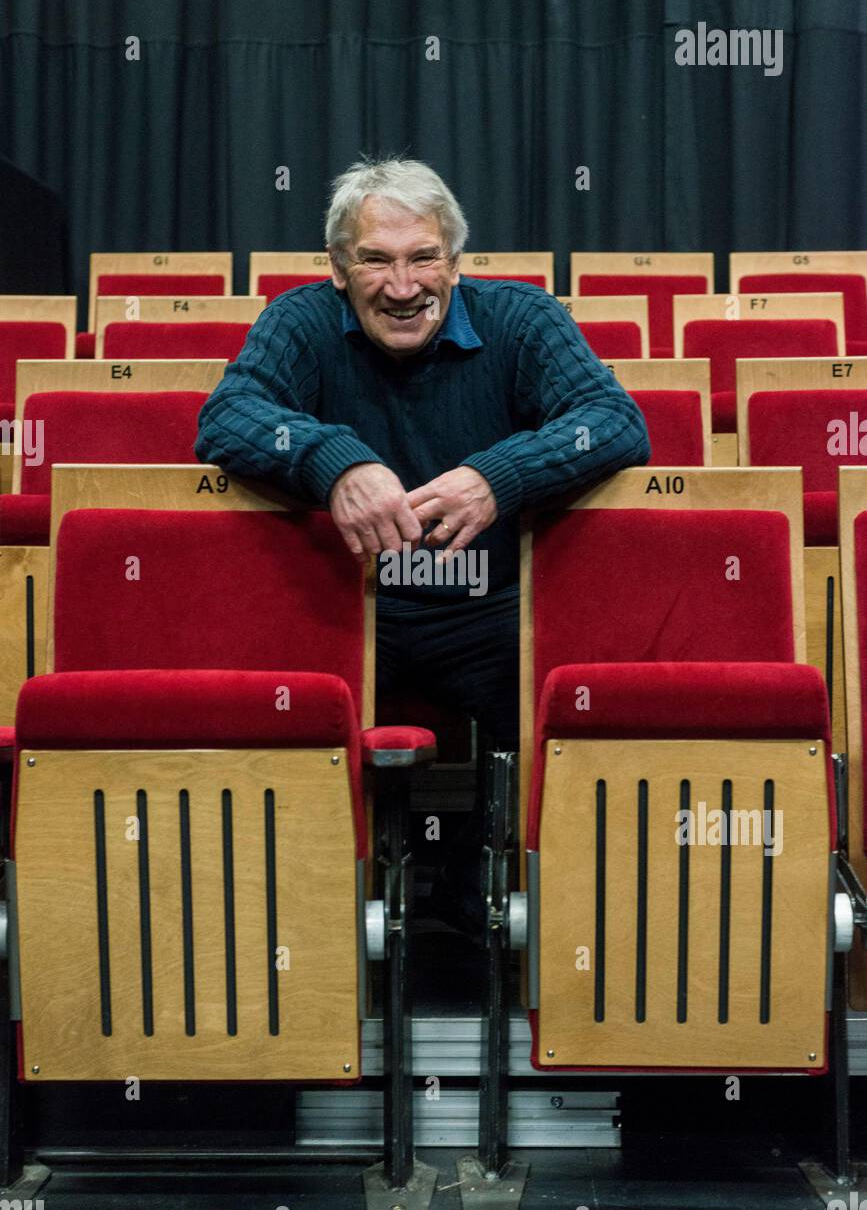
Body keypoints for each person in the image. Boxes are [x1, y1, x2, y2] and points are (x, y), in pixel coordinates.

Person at [195, 156, 651, 933]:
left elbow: (614, 423)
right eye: (374, 260)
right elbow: (226, 416)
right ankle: (293, 927)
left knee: (572, 702)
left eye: (422, 258)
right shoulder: (300, 321)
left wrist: (498, 474)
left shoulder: (522, 319)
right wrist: (330, 459)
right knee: (256, 708)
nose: (401, 286)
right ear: (339, 269)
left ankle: (529, 924)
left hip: (491, 607)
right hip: (348, 608)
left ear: (455, 263)